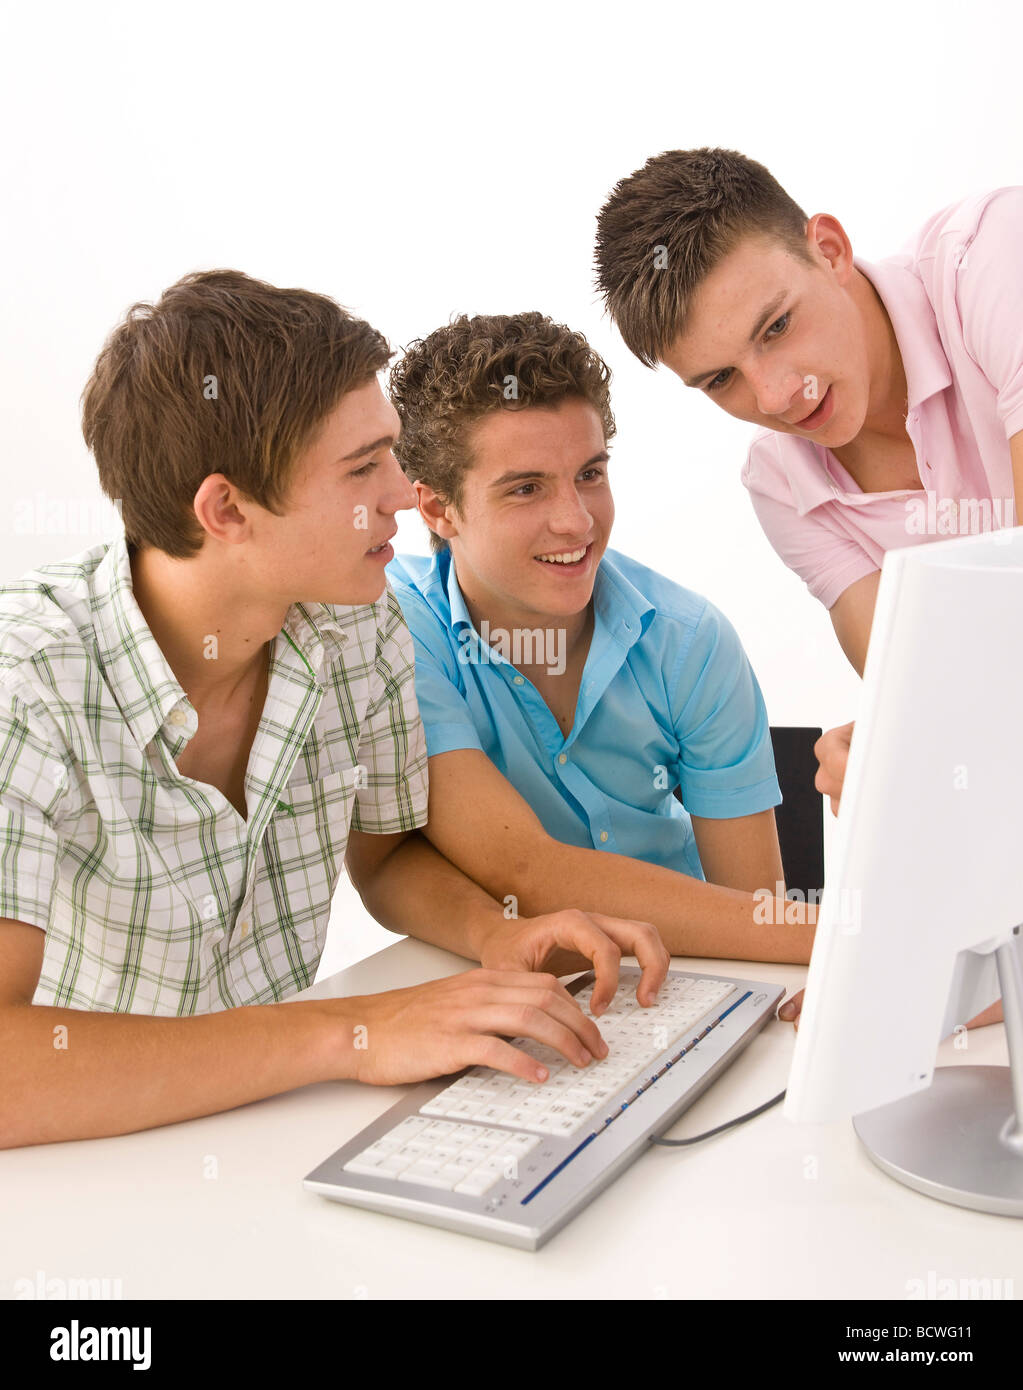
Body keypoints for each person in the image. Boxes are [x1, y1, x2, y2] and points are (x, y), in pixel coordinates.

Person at [0, 271, 669, 1151]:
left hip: (275, 1128)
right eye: (363, 468)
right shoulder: (28, 685)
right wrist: (355, 1031)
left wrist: (491, 934)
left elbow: (386, 852)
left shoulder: (356, 622)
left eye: (390, 452)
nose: (402, 491)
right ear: (226, 508)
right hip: (84, 1160)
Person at [594, 149, 1019, 1027]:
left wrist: (938, 736)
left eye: (776, 326)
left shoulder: (992, 260)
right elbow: (930, 706)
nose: (778, 396)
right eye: (719, 380)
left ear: (828, 247)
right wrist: (893, 760)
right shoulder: (785, 485)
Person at [385, 311, 816, 973]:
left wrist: (842, 955)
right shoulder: (397, 629)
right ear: (438, 509)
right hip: (492, 982)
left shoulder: (690, 641)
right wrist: (858, 944)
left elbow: (754, 920)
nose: (576, 521)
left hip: (686, 966)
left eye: (589, 473)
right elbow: (511, 868)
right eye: (525, 488)